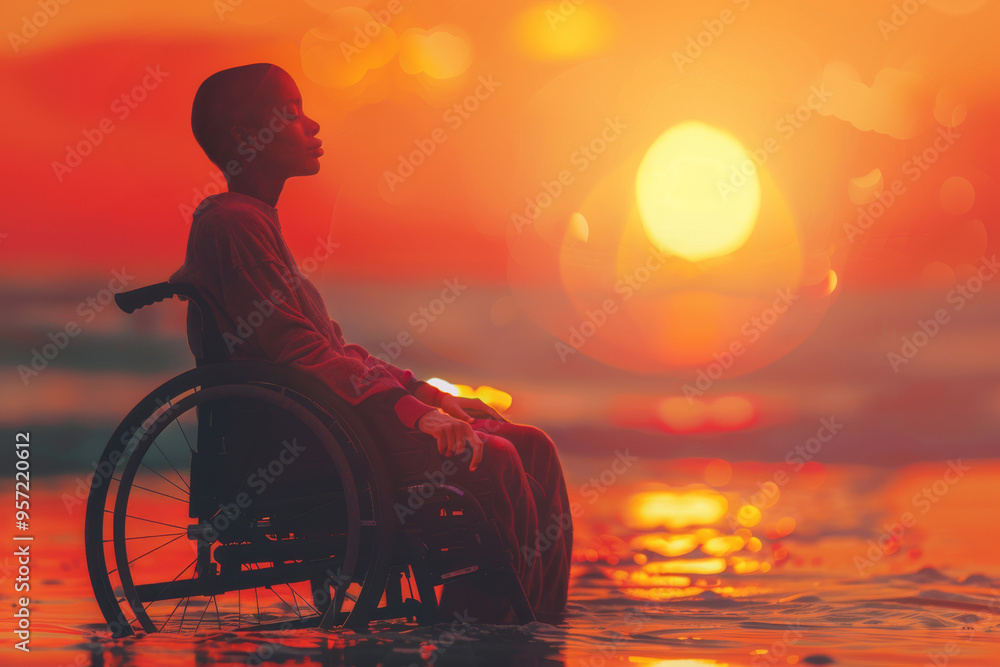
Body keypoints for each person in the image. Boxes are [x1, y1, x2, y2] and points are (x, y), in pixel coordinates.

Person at [169, 63, 572, 624]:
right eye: (288, 113)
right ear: (243, 136)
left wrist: (426, 397)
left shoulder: (256, 222)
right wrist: (410, 412)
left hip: (328, 424)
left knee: (534, 448)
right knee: (498, 458)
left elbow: (333, 350)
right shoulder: (231, 225)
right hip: (294, 445)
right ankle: (488, 634)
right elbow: (300, 355)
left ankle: (537, 626)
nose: (311, 126)